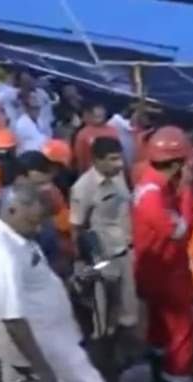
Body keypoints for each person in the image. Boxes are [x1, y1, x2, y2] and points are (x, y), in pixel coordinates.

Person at [0, 182, 151, 382]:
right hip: (44, 345)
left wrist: (68, 283)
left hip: (25, 346)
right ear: (12, 210)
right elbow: (13, 318)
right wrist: (41, 367)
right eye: (33, 222)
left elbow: (30, 286)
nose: (38, 229)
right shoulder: (1, 255)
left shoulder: (2, 232)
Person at [132, 126, 193, 382]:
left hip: (153, 272)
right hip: (166, 275)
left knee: (159, 333)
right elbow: (180, 231)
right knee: (182, 335)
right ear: (178, 163)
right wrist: (189, 193)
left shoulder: (150, 183)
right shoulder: (154, 195)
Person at [71, 136, 138, 348]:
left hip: (124, 252)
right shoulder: (84, 187)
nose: (119, 164)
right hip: (102, 258)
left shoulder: (119, 178)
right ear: (97, 161)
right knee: (103, 316)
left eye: (119, 158)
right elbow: (77, 227)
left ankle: (123, 353)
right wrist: (82, 264)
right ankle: (103, 357)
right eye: (112, 159)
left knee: (127, 312)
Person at [73, 102, 120, 174]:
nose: (99, 113)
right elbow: (80, 159)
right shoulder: (83, 134)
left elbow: (119, 152)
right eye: (97, 111)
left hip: (114, 171)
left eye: (101, 111)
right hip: (93, 172)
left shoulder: (113, 130)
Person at [14, 89, 52, 154]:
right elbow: (41, 141)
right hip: (27, 155)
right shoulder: (22, 124)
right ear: (27, 109)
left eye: (38, 108)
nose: (37, 111)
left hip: (40, 152)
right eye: (33, 108)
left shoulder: (40, 120)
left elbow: (48, 136)